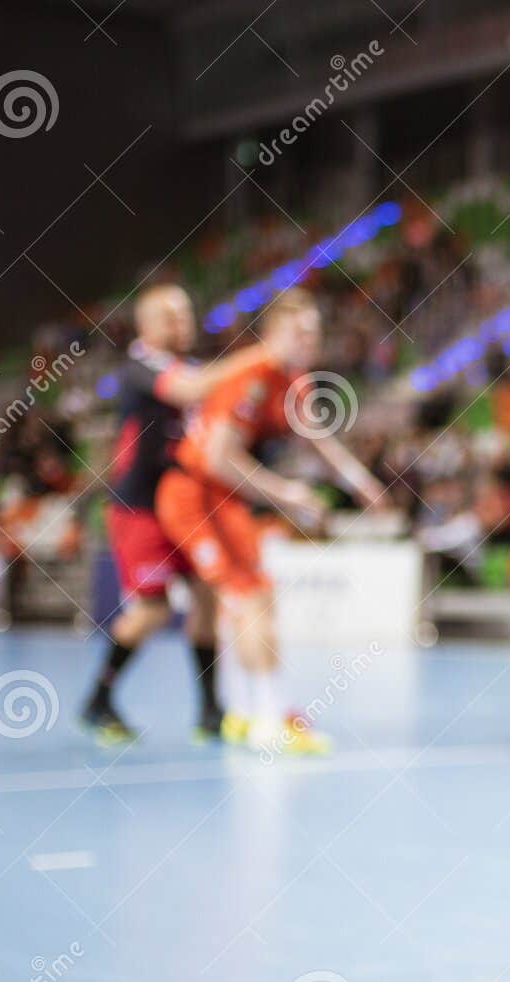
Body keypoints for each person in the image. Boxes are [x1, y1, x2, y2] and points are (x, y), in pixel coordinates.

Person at [155, 289, 386, 755]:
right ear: (272, 335)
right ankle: (270, 716)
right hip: (192, 494)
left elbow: (317, 437)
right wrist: (288, 495)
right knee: (249, 598)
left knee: (252, 597)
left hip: (223, 498)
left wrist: (362, 483)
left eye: (315, 332)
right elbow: (219, 457)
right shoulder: (252, 374)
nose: (310, 340)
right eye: (300, 332)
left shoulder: (291, 378)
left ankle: (247, 711)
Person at [82, 285, 224, 744]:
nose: (182, 325)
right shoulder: (140, 368)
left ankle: (210, 710)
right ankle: (98, 699)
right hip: (139, 508)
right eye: (171, 317)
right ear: (146, 326)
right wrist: (261, 357)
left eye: (186, 315)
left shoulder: (192, 369)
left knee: (207, 597)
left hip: (185, 507)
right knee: (153, 611)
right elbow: (190, 390)